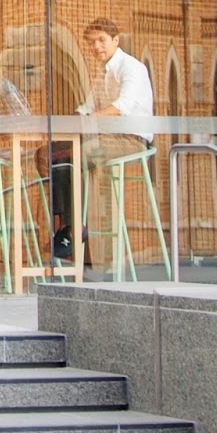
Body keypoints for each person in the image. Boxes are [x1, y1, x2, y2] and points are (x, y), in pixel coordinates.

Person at [45, 17, 154, 261]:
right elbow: (87, 107)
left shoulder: (132, 68)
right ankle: (68, 226)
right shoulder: (103, 73)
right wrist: (70, 121)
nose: (96, 47)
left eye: (101, 40)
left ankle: (72, 231)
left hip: (131, 141)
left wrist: (89, 119)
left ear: (116, 40)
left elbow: (122, 106)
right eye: (92, 42)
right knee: (50, 154)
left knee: (78, 155)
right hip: (106, 139)